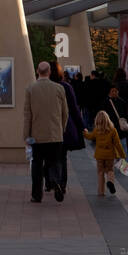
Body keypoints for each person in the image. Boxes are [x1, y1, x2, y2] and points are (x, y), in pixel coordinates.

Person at [23, 61, 68, 203]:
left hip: (37, 135)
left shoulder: (30, 89)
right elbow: (65, 112)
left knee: (37, 164)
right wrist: (61, 128)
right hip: (55, 134)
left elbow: (27, 115)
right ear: (49, 72)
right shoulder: (59, 88)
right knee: (55, 162)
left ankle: (36, 195)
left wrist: (26, 135)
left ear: (37, 71)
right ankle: (55, 181)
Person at [51, 63, 85, 196]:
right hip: (64, 126)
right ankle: (61, 183)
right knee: (62, 156)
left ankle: (52, 180)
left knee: (50, 155)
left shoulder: (44, 87)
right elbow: (74, 109)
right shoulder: (66, 87)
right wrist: (82, 126)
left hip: (48, 127)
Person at [84, 108, 125, 197]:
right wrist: (122, 155)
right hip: (110, 155)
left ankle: (101, 191)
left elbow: (89, 137)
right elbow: (118, 143)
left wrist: (85, 132)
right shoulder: (113, 130)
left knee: (100, 172)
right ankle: (110, 181)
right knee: (110, 170)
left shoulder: (96, 130)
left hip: (99, 155)